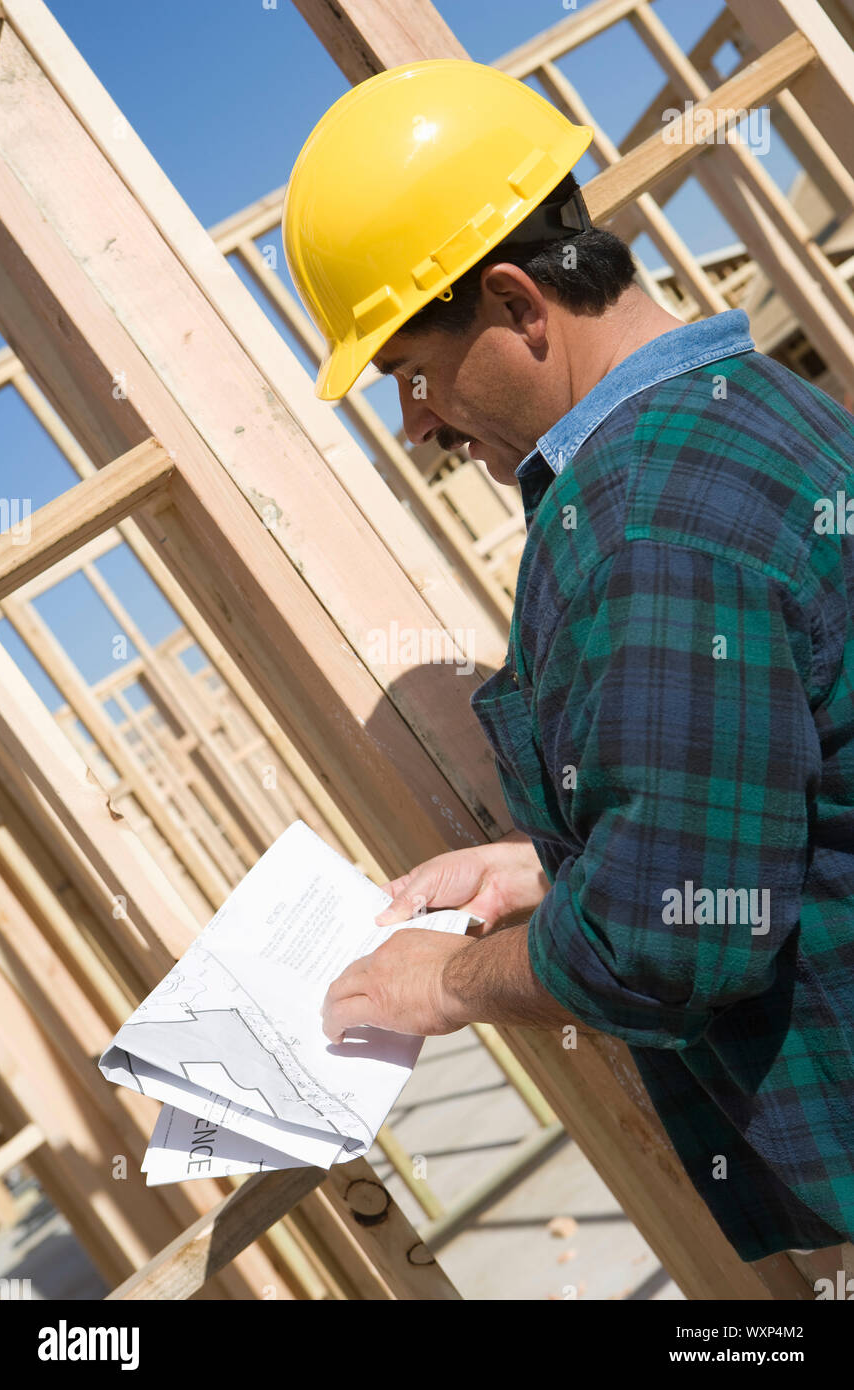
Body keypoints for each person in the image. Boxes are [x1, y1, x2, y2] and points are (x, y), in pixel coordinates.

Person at [282, 59, 854, 1265]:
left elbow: (667, 940)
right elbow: (772, 781)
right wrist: (554, 859)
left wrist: (439, 984)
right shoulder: (752, 413)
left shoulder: (645, 519)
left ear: (515, 302)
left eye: (409, 374)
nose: (418, 424)